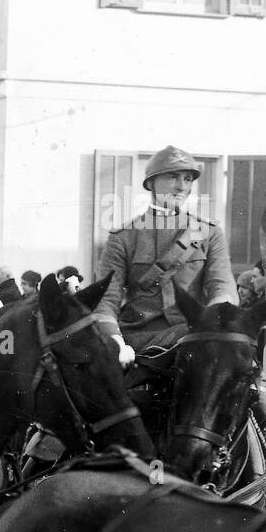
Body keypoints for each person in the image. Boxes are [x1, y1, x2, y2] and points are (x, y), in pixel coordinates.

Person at [93, 145, 236, 366]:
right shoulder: (123, 237)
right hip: (138, 340)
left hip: (195, 336)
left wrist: (211, 324)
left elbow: (223, 288)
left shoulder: (209, 233)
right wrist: (116, 342)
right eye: (172, 177)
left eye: (188, 179)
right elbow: (106, 299)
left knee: (252, 383)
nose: (181, 186)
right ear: (151, 183)